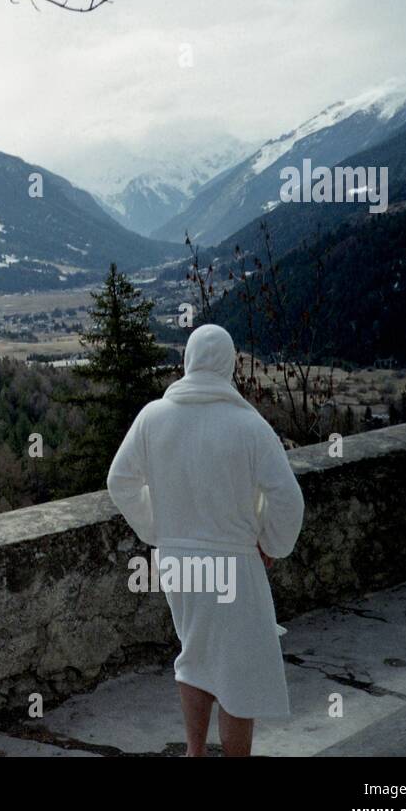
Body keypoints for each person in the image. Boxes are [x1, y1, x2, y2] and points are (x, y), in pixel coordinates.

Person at [106, 323, 304, 756]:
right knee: (238, 673)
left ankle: (196, 753)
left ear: (188, 361)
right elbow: (288, 498)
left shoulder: (153, 417)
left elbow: (120, 481)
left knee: (195, 658)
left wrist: (160, 529)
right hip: (233, 564)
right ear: (229, 364)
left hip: (178, 564)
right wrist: (271, 542)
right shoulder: (249, 426)